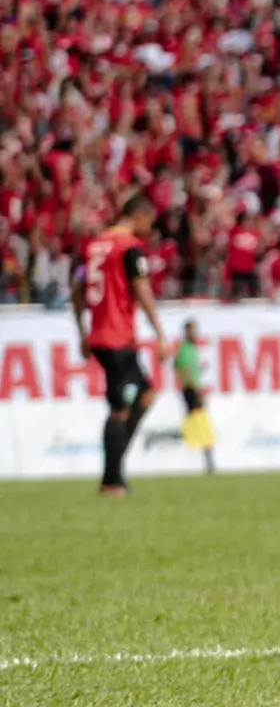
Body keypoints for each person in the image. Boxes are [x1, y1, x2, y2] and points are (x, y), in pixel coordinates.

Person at [71, 195, 169, 497]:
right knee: (119, 409)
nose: (148, 230)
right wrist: (160, 333)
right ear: (139, 216)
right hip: (117, 337)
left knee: (146, 394)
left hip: (101, 336)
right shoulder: (129, 249)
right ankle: (111, 480)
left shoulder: (94, 245)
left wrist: (82, 331)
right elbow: (141, 289)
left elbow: (76, 289)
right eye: (148, 223)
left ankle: (114, 473)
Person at [172, 319, 217, 474]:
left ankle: (206, 455)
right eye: (192, 330)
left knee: (199, 423)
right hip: (191, 391)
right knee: (198, 424)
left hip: (194, 389)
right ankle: (203, 456)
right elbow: (184, 370)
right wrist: (193, 388)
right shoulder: (184, 348)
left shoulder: (191, 348)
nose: (195, 334)